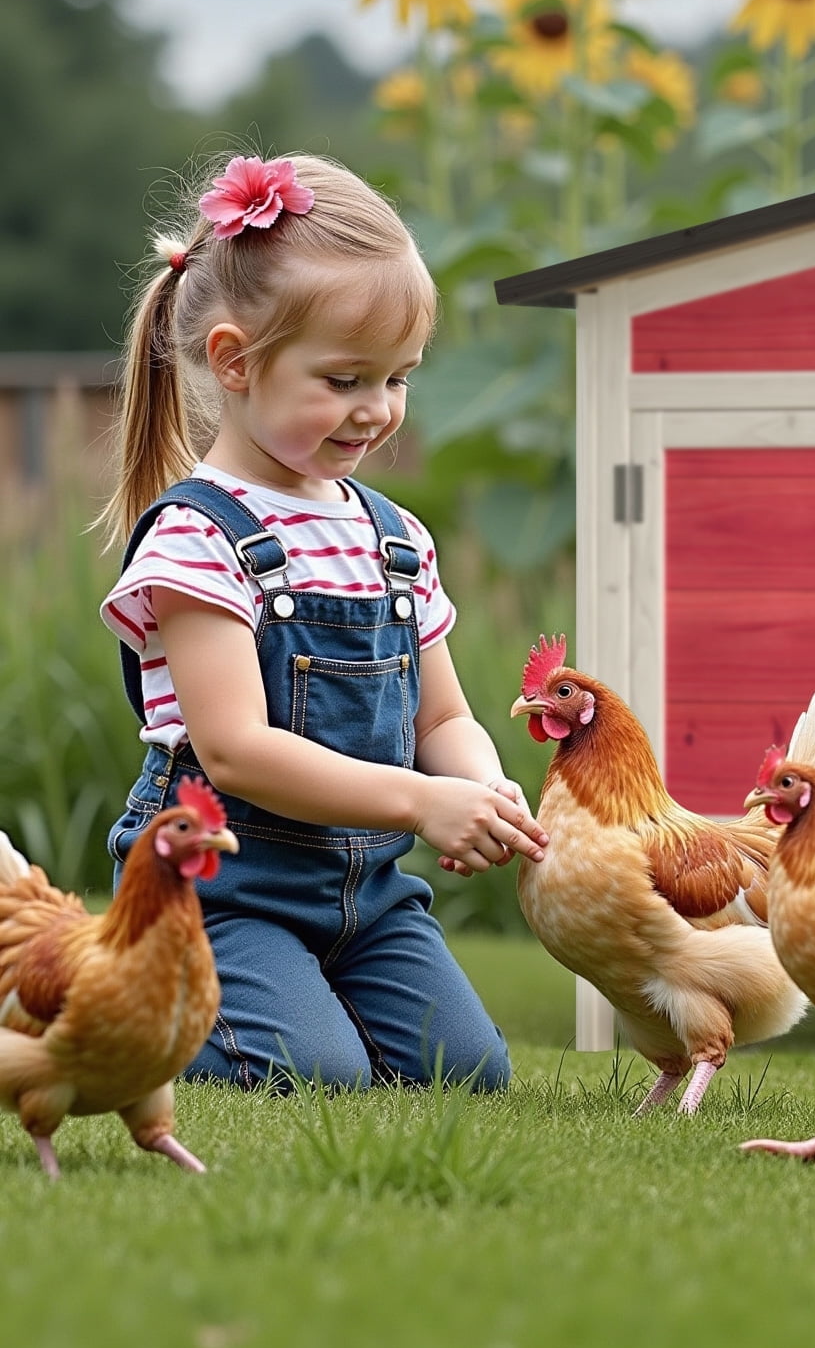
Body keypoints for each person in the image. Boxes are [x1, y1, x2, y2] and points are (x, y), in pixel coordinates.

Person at [97, 151, 546, 1091]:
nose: (377, 410)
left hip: (368, 895)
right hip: (223, 889)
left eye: (400, 378)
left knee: (468, 1073)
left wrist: (481, 788)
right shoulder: (198, 537)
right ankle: (136, 996)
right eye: (345, 379)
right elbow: (237, 754)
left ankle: (307, 995)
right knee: (318, 1075)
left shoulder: (393, 538)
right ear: (235, 360)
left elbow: (442, 718)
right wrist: (422, 803)